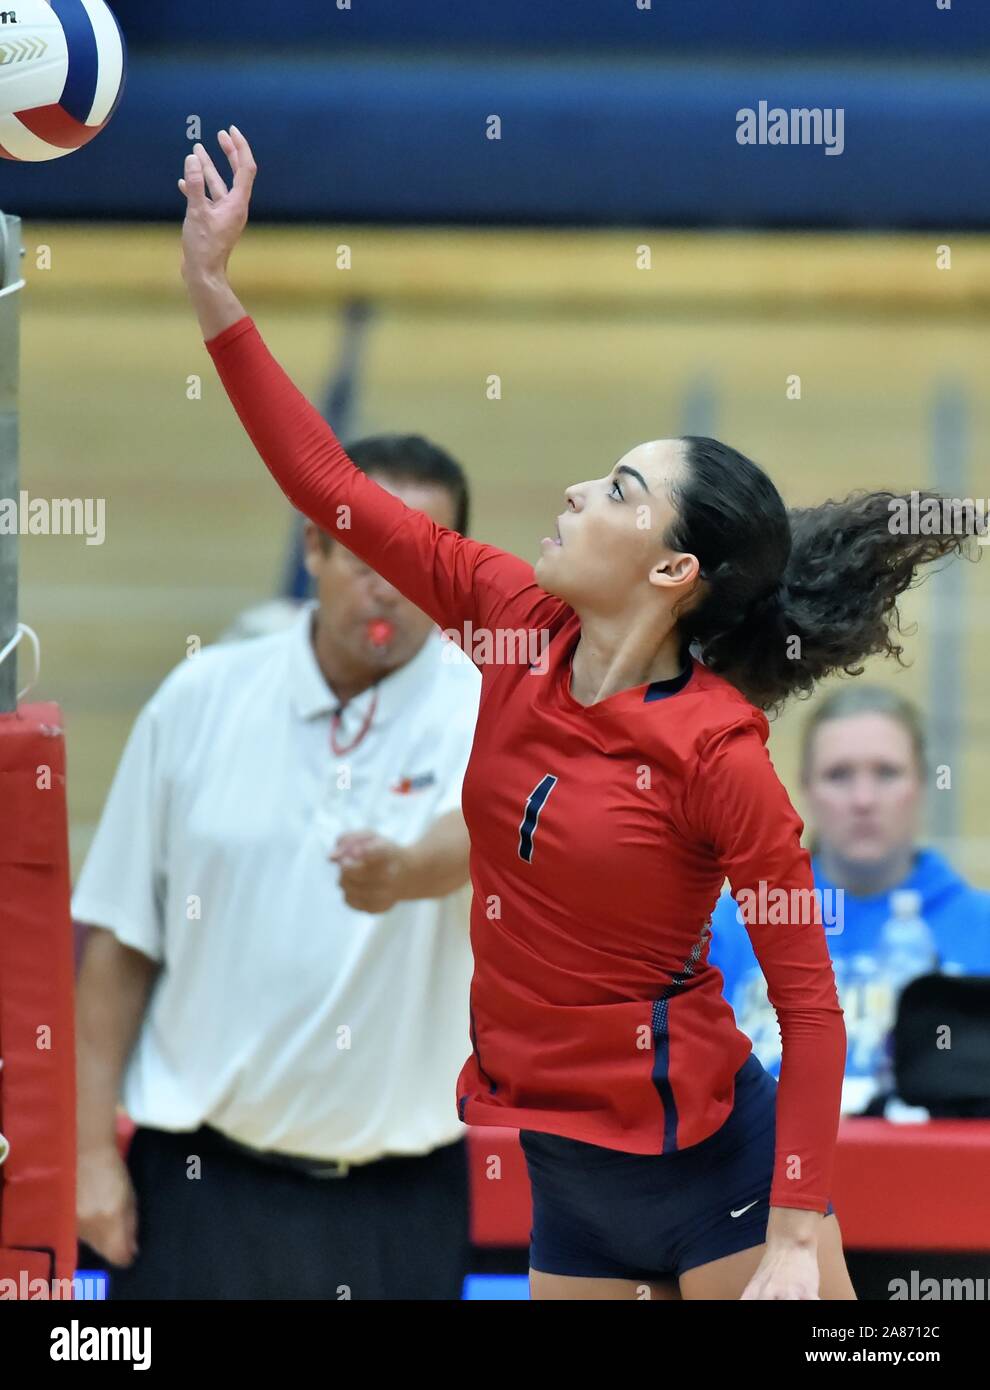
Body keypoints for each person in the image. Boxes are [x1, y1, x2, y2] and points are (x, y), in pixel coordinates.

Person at [176, 127, 974, 1301]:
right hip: (566, 1170)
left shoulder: (717, 755)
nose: (572, 492)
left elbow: (809, 1004)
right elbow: (335, 492)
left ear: (669, 571)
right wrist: (214, 290)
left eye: (617, 491)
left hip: (725, 1173)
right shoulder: (511, 622)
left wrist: (801, 1228)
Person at [74, 433, 482, 1300]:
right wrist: (84, 1156)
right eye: (367, 550)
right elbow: (119, 943)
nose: (386, 582)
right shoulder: (199, 700)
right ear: (313, 547)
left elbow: (483, 831)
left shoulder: (490, 712)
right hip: (194, 1188)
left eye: (416, 556)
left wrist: (407, 869)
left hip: (400, 1203)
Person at [710, 685, 990, 1117]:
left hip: (931, 1179)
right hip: (764, 1179)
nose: (863, 800)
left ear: (922, 782)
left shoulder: (982, 928)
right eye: (839, 775)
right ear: (804, 787)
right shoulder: (735, 925)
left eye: (887, 773)